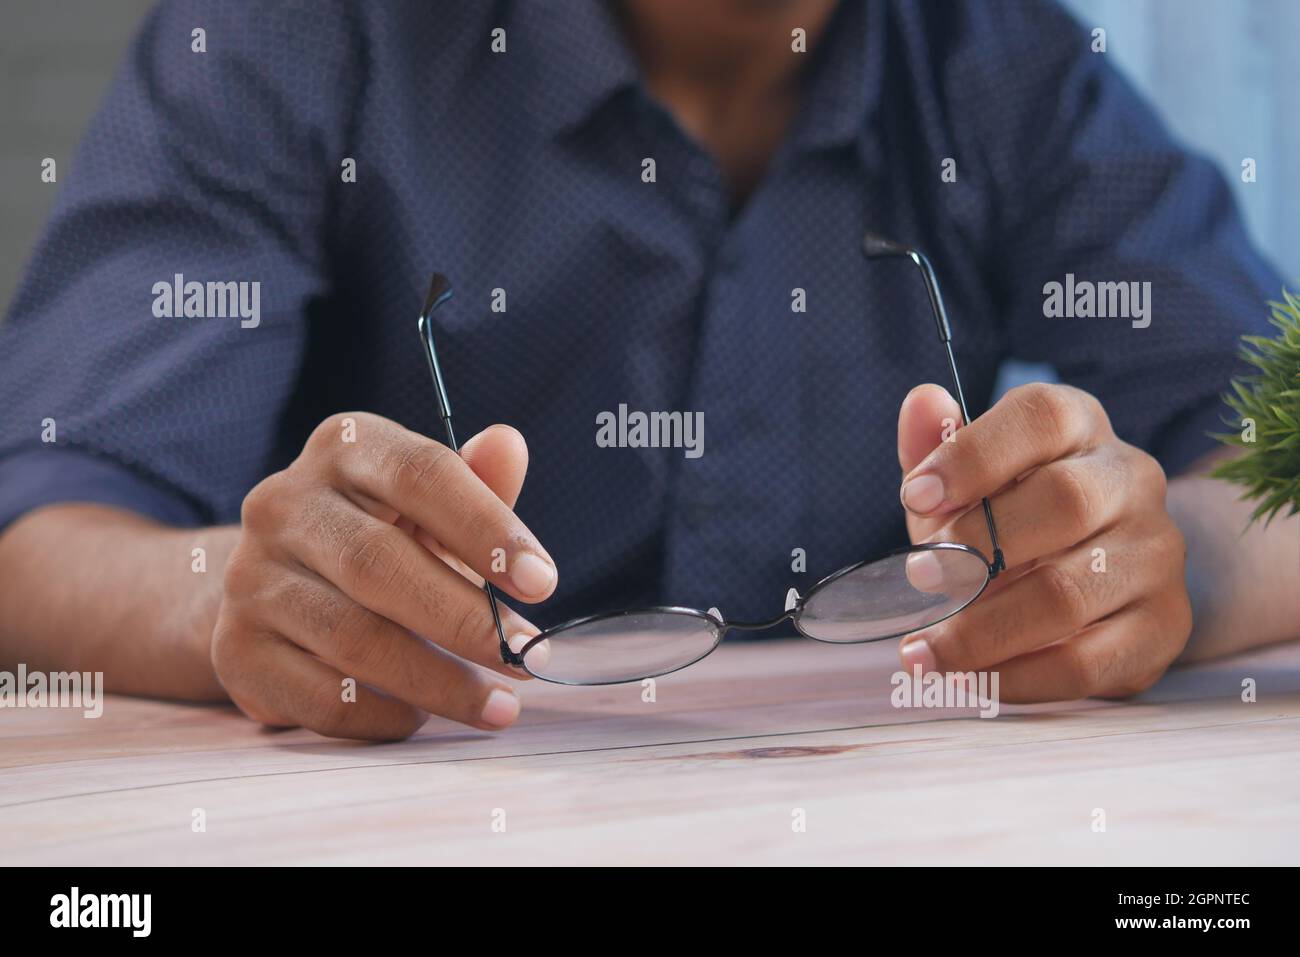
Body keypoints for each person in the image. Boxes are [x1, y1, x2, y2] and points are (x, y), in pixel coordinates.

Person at [0, 0, 1295, 739]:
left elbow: (1277, 454)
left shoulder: (989, 53)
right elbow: (35, 526)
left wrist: (1156, 561)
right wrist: (242, 594)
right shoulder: (300, 33)